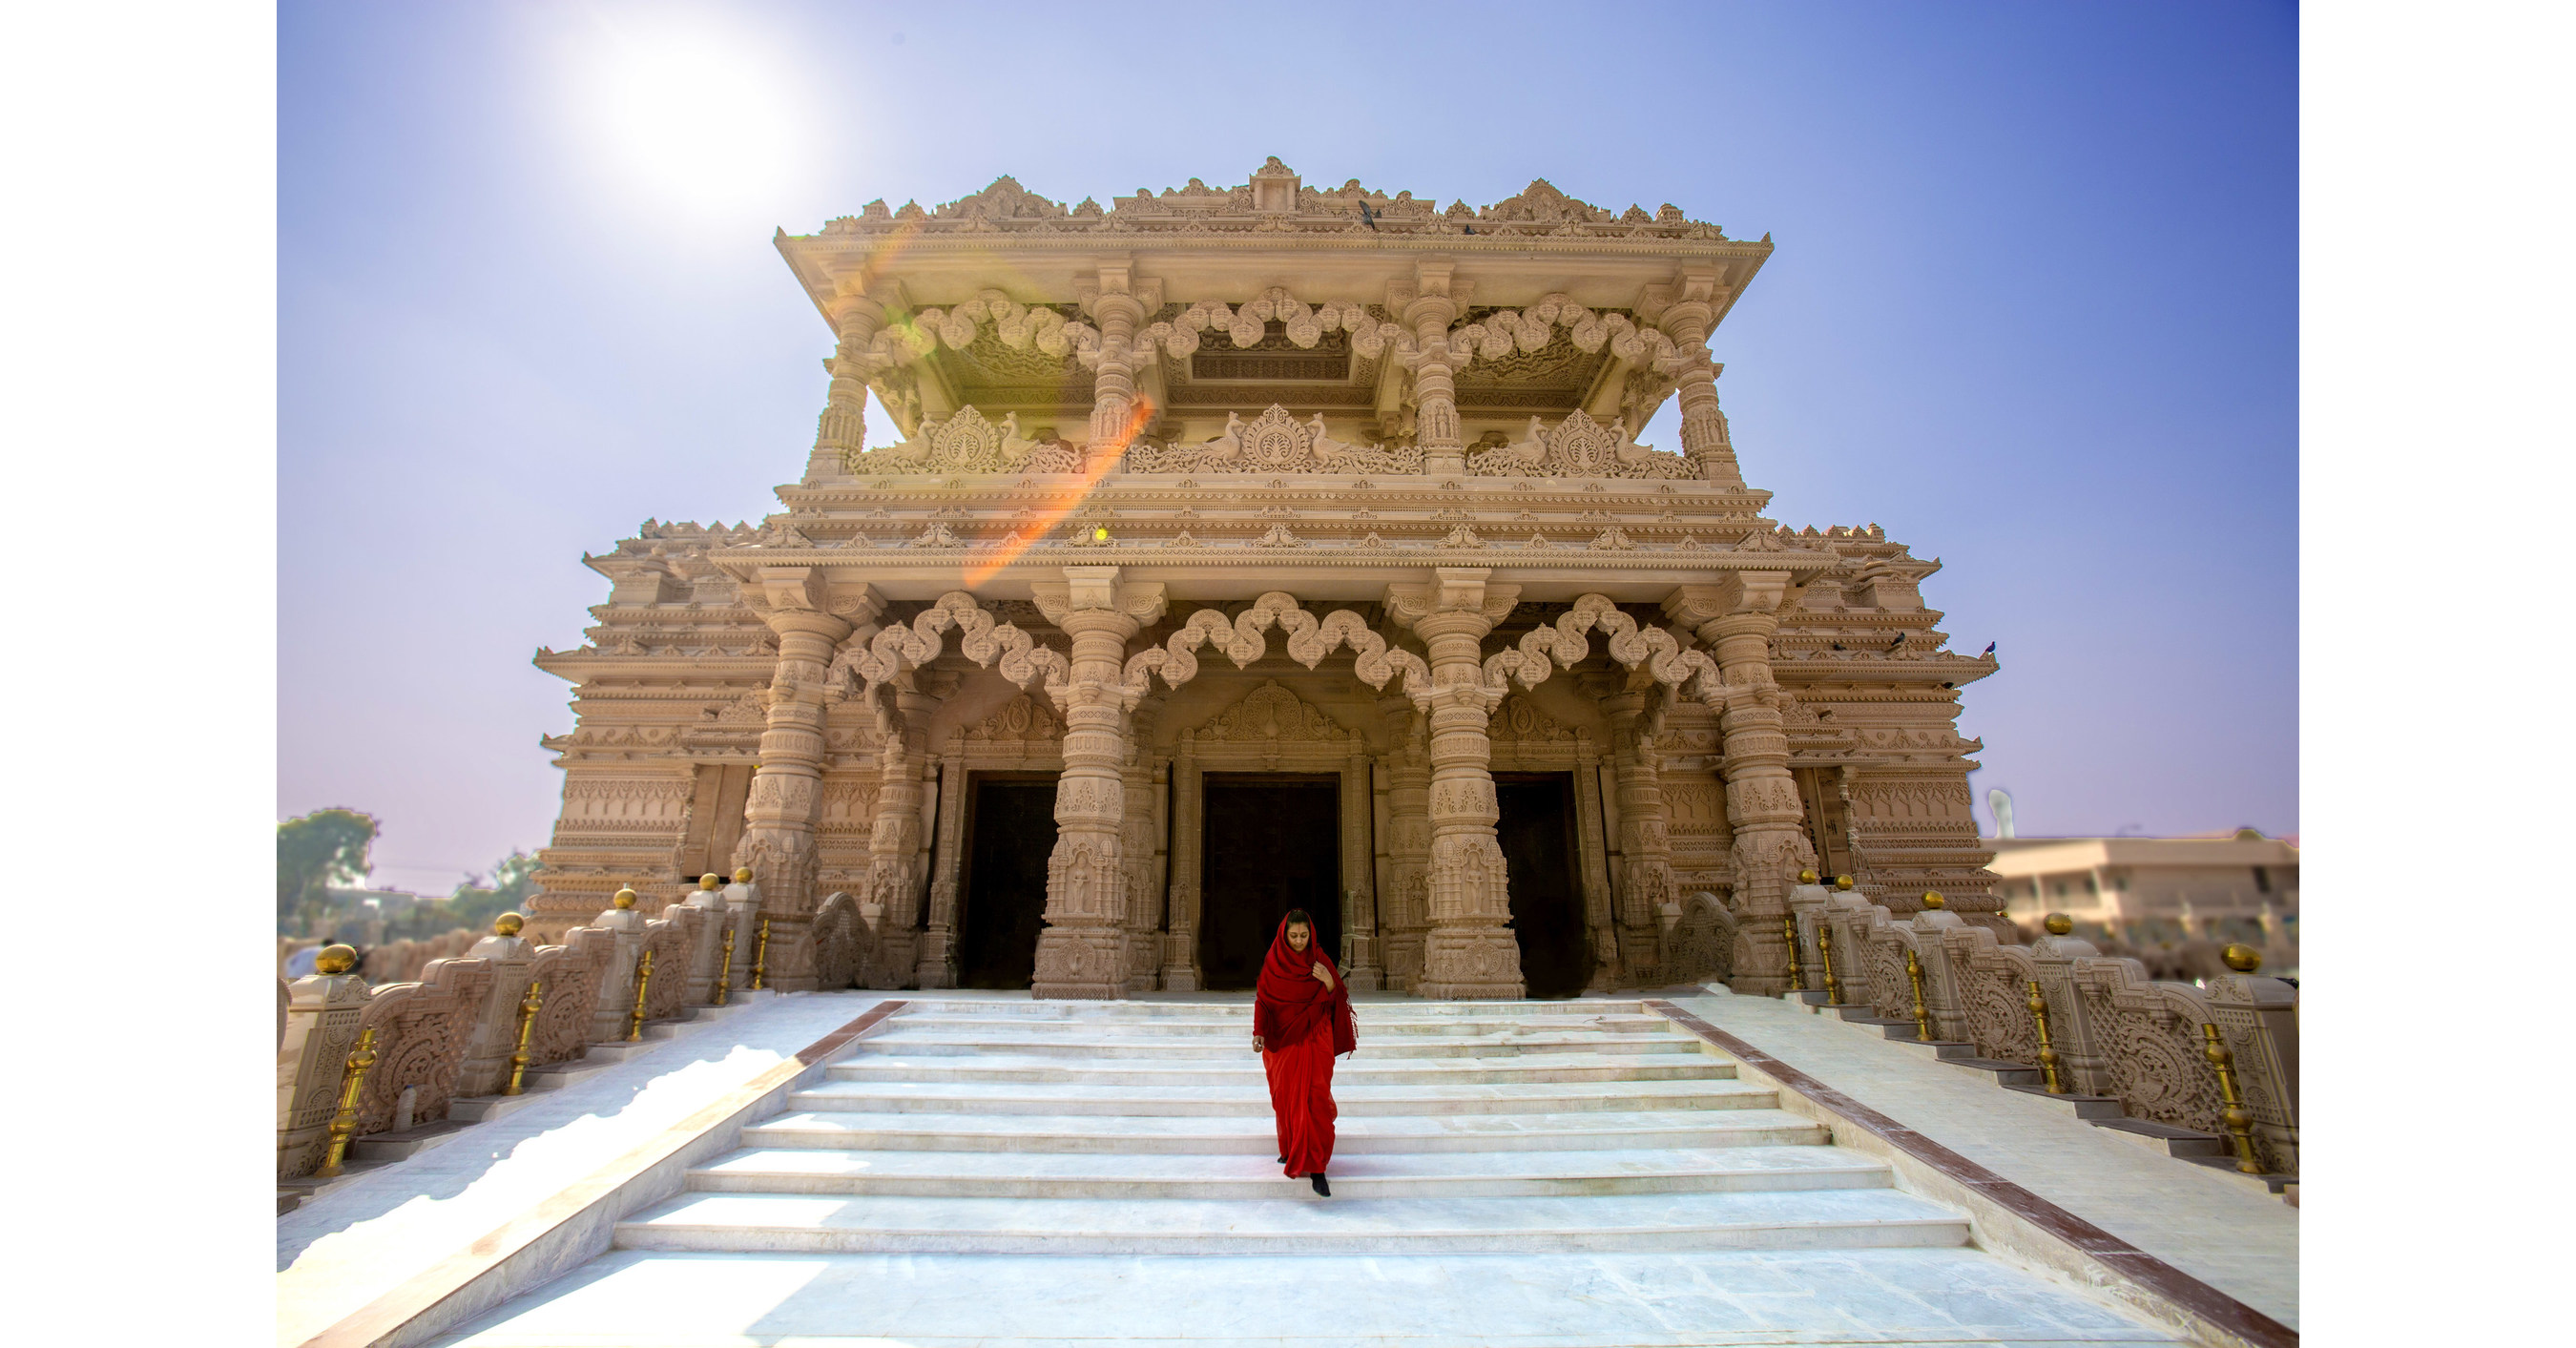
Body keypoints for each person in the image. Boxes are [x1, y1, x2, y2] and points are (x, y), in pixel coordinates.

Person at [1251, 908, 1356, 1196]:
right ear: (1284, 935)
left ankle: (1317, 1167)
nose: (1299, 941)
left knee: (1314, 1099)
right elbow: (1264, 1000)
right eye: (1294, 936)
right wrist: (1258, 1031)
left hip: (1314, 1037)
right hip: (1283, 1041)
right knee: (1285, 1097)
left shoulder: (1319, 960)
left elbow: (1339, 997)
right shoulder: (1274, 962)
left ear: (1312, 935)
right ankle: (1291, 1148)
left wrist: (1329, 982)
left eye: (1303, 936)